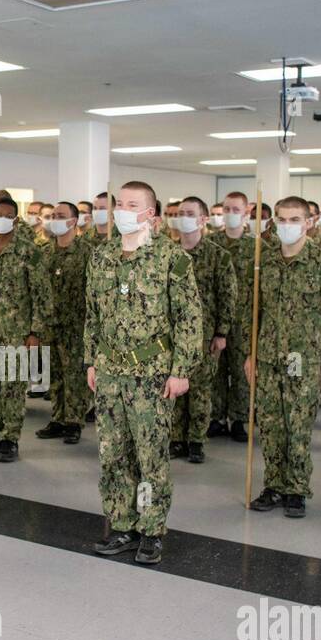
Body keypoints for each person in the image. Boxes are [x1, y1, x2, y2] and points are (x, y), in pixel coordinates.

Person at [84, 181, 201, 565]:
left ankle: (151, 529)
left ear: (150, 214)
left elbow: (189, 317)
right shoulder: (101, 257)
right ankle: (122, 524)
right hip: (109, 372)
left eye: (131, 205)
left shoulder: (171, 258)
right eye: (119, 203)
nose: (121, 210)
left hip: (151, 374)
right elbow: (92, 315)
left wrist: (181, 369)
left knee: (150, 457)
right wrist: (90, 361)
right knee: (113, 454)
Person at [246, 197, 321, 518]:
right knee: (270, 424)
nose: (287, 225)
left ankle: (296, 489)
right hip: (267, 357)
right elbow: (251, 312)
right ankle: (273, 485)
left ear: (308, 223)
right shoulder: (262, 261)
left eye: (294, 219)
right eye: (281, 219)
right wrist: (250, 353)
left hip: (304, 359)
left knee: (298, 424)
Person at [0, 195, 49, 463]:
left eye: (7, 215)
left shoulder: (29, 251)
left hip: (18, 332)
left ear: (15, 219)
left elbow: (42, 294)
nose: (2, 219)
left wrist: (35, 332)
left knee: (12, 389)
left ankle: (9, 440)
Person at [169, 196, 236, 462]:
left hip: (205, 336)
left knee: (200, 390)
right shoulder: (168, 253)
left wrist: (221, 333)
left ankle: (196, 440)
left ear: (202, 219)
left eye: (189, 213)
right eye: (180, 212)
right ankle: (176, 439)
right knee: (173, 388)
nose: (183, 217)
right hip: (172, 334)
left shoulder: (218, 256)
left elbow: (227, 296)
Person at [209, 191, 264, 442]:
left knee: (243, 372)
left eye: (235, 210)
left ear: (247, 212)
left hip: (245, 321)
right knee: (216, 370)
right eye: (226, 209)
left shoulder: (258, 247)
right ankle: (216, 416)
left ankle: (240, 418)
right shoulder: (212, 244)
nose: (230, 214)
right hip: (216, 319)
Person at [37, 201, 92, 444]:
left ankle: (74, 421)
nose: (54, 219)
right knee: (55, 374)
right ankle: (58, 418)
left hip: (76, 326)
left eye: (60, 216)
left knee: (75, 376)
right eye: (53, 215)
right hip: (50, 325)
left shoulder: (87, 252)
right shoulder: (45, 252)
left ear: (73, 221)